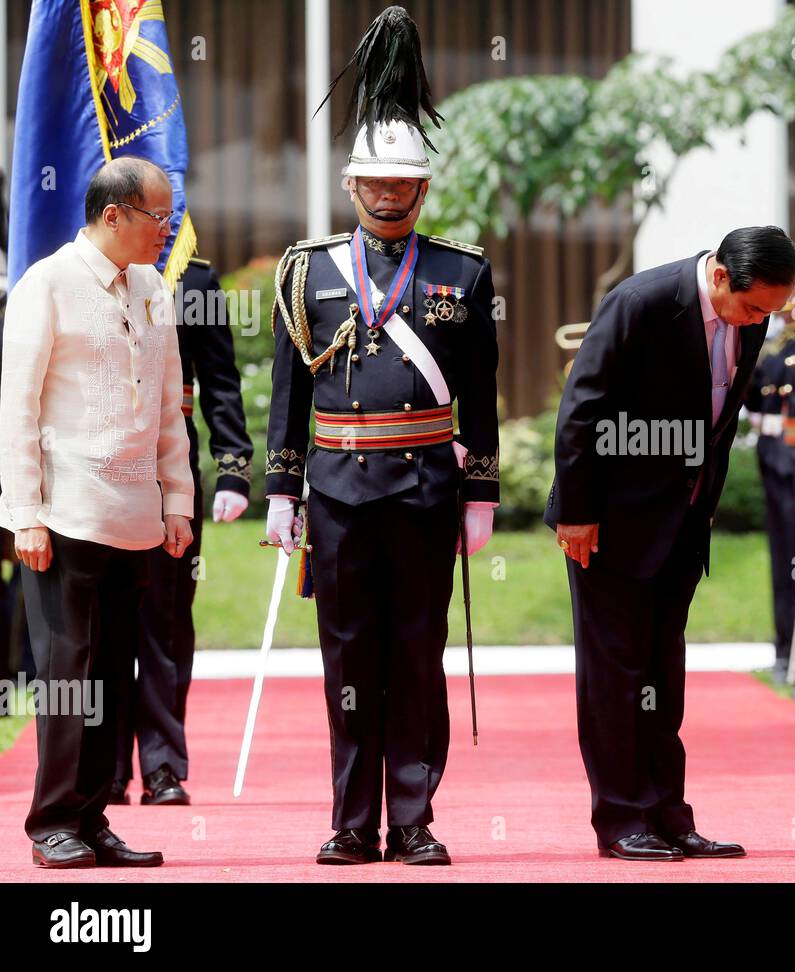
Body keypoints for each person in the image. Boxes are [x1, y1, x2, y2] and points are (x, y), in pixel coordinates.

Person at [264, 6, 499, 866]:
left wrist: (482, 491)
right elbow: (290, 390)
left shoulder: (461, 271)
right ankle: (350, 821)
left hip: (428, 488)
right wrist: (283, 490)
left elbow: (483, 391)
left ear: (423, 190)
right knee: (348, 662)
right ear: (352, 187)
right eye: (376, 186)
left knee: (417, 655)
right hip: (338, 489)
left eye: (403, 187)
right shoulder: (308, 270)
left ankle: (413, 818)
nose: (389, 197)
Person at [546, 226, 795, 861]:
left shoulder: (751, 316)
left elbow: (721, 417)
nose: (758, 320)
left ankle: (668, 813)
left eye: (768, 312)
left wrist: (703, 505)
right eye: (752, 308)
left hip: (681, 524)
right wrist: (576, 511)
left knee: (663, 676)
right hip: (611, 520)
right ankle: (622, 818)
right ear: (719, 276)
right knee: (615, 675)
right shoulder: (641, 302)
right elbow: (583, 407)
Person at [0, 156, 194, 868]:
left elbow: (170, 407)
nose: (166, 231)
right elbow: (15, 408)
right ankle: (52, 819)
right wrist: (25, 512)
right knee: (67, 675)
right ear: (112, 215)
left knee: (115, 674)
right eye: (156, 217)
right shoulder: (46, 285)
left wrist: (178, 498)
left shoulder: (152, 289)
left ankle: (93, 816)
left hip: (134, 517)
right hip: (66, 516)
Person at [112, 253, 254, 807]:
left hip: (171, 468)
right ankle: (104, 770)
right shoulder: (74, 276)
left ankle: (162, 766)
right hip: (96, 473)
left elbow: (220, 378)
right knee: (102, 625)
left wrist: (234, 468)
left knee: (165, 621)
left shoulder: (192, 279)